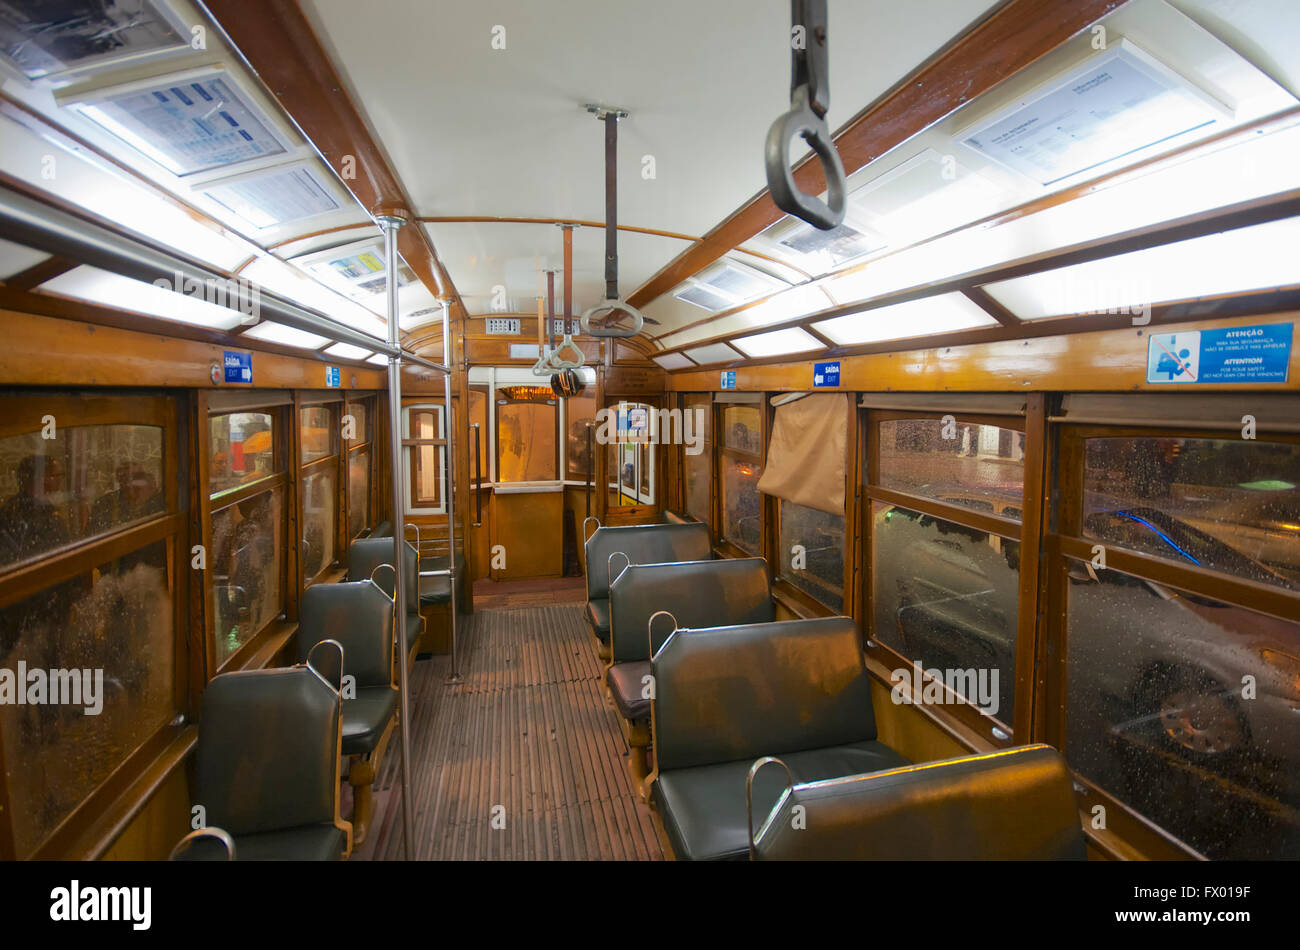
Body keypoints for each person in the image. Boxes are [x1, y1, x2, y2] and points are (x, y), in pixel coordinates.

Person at [0, 454, 69, 566]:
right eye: (57, 475)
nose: (60, 479)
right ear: (41, 478)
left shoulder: (16, 506)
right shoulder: (20, 513)